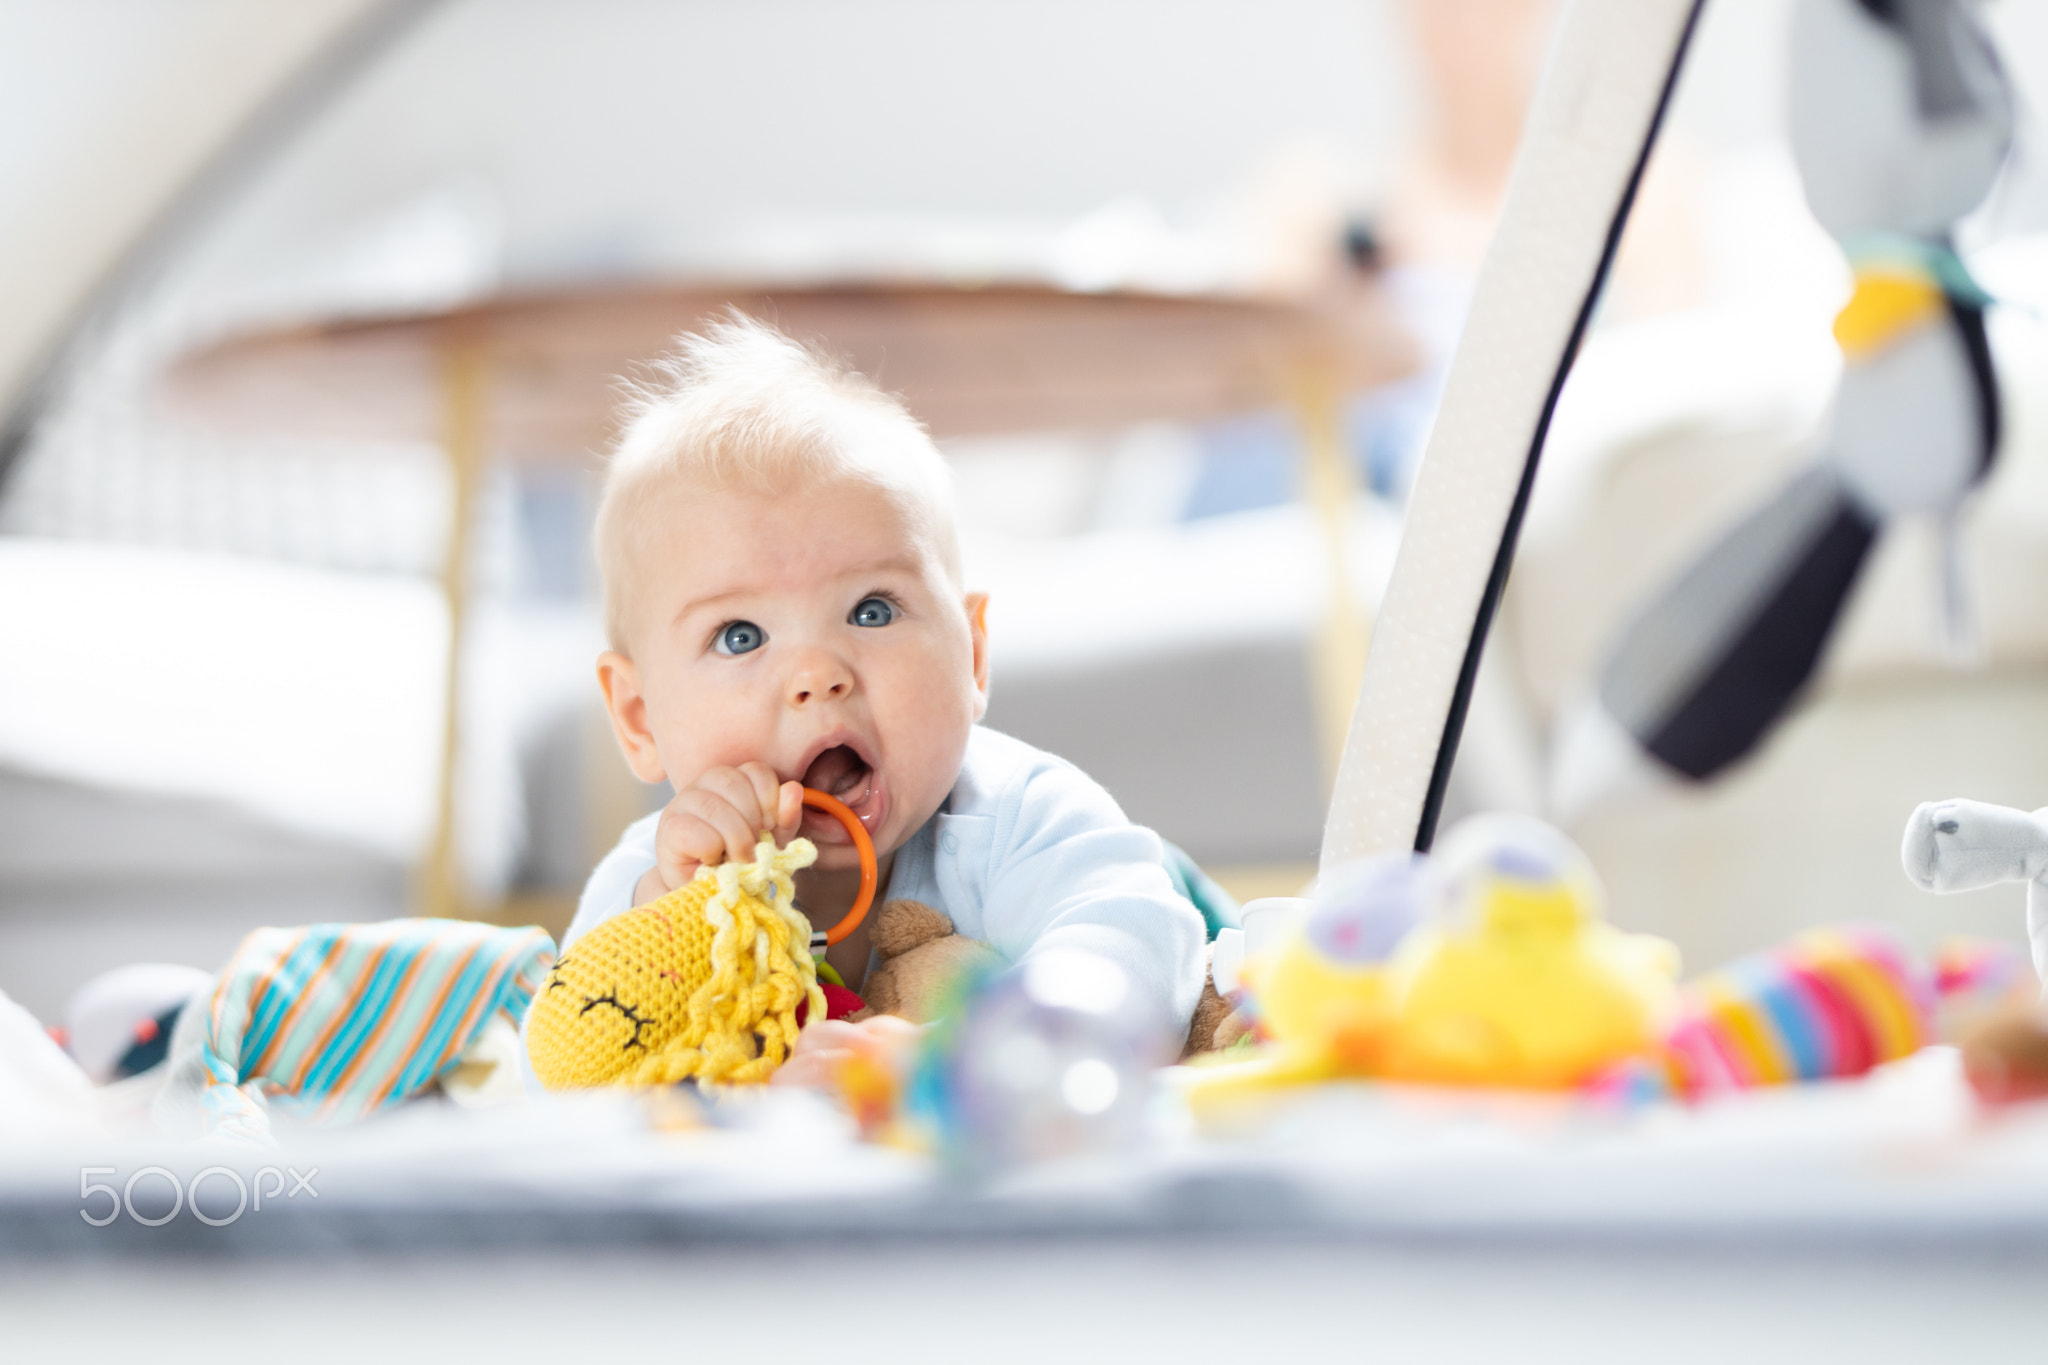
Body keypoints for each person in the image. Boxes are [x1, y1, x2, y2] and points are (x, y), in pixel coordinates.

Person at [569, 313, 1208, 1057]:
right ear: (641, 719)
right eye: (740, 635)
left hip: (1192, 930)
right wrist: (669, 925)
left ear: (971, 656)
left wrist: (958, 1055)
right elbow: (555, 1063)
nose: (817, 673)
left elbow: (1133, 954)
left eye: (872, 610)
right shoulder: (656, 874)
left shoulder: (1018, 818)